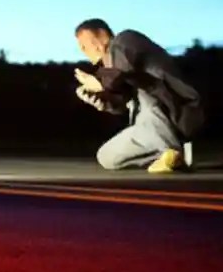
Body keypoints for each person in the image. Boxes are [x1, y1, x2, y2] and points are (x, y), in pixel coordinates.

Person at [72, 19, 204, 173]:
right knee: (106, 157)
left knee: (145, 91)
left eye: (84, 42)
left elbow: (123, 74)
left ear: (102, 35)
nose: (81, 48)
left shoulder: (125, 40)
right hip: (147, 125)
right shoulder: (114, 69)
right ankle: (169, 156)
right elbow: (123, 99)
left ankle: (168, 147)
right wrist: (102, 101)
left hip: (176, 111)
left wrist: (100, 83)